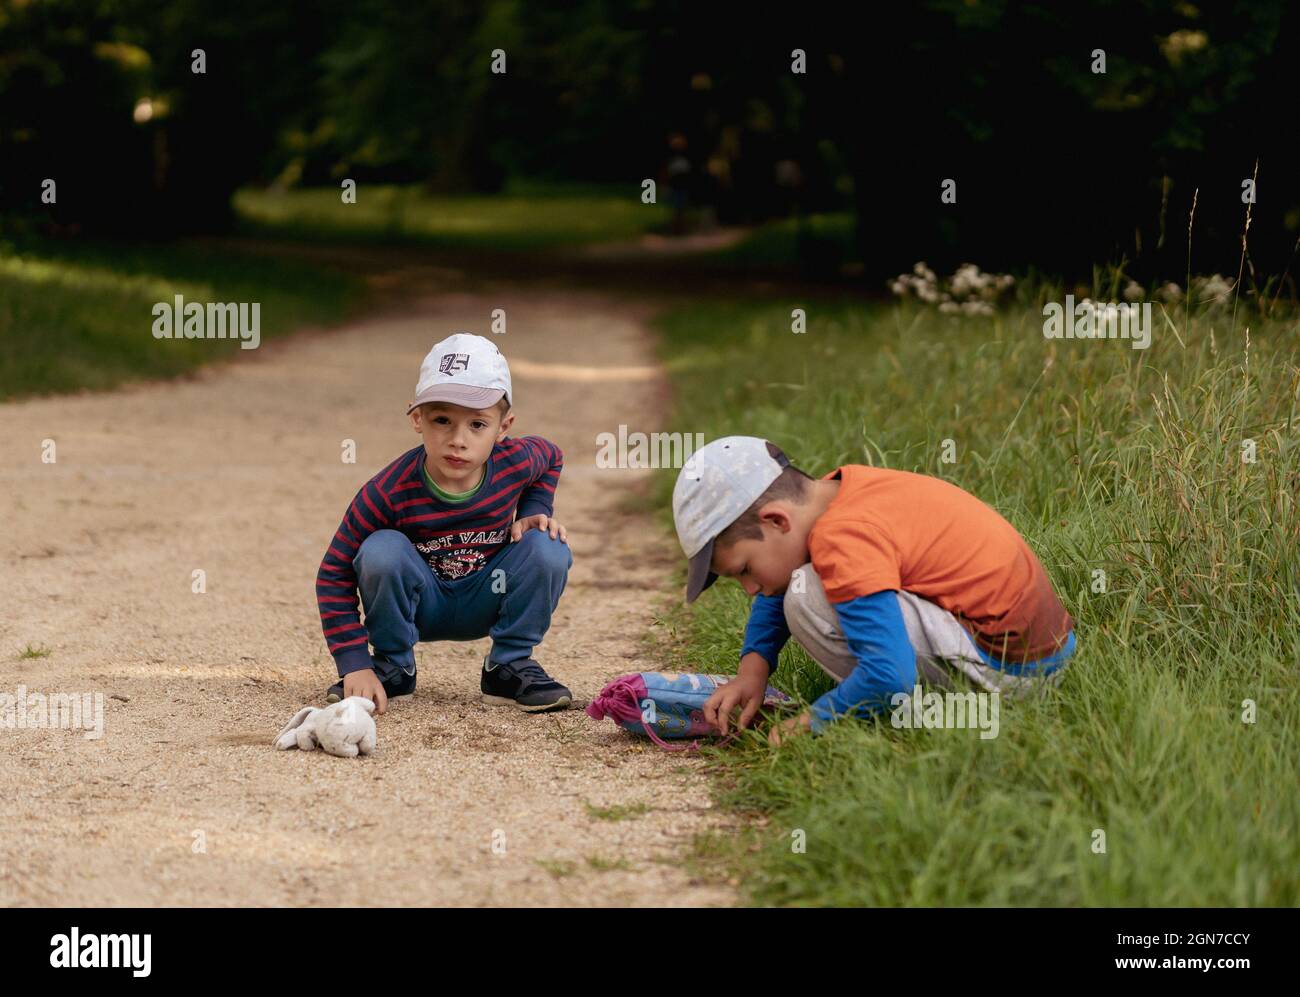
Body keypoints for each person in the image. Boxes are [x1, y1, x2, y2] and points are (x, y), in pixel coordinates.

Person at [671, 436, 1076, 745]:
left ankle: (922, 714)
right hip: (1046, 654)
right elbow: (780, 577)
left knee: (804, 594)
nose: (749, 588)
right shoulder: (840, 495)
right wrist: (752, 671)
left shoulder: (842, 539)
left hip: (1014, 677)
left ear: (777, 520)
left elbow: (889, 675)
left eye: (744, 569)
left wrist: (813, 721)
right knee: (799, 579)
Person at [316, 333, 573, 714]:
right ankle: (392, 666)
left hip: (488, 594)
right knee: (381, 550)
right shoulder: (387, 491)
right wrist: (355, 663)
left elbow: (552, 457)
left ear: (504, 427)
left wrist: (535, 509)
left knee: (547, 545)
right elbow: (334, 573)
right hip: (423, 602)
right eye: (442, 420)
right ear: (416, 418)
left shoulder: (517, 460)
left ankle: (509, 665)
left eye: (477, 425)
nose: (458, 439)